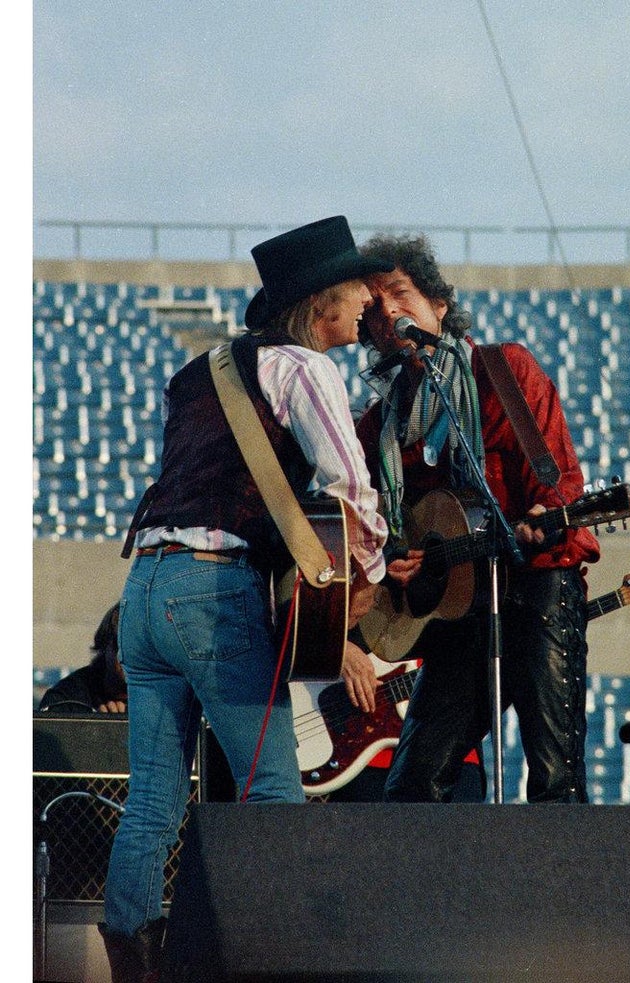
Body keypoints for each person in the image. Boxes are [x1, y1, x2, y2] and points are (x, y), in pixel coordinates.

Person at [99, 216, 391, 983]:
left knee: (154, 805)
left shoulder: (199, 370)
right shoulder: (303, 367)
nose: (369, 299)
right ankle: (278, 961)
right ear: (324, 300)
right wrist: (373, 572)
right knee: (272, 787)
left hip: (144, 588)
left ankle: (131, 961)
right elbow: (350, 489)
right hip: (211, 594)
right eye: (358, 286)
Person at [351, 232, 601, 804]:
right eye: (374, 308)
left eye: (400, 294)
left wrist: (547, 512)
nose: (390, 312)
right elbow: (366, 524)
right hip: (457, 613)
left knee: (554, 780)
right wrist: (393, 561)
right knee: (413, 785)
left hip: (538, 582)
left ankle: (563, 894)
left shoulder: (503, 370)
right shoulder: (378, 426)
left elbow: (558, 476)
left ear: (438, 304)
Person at [38, 602, 126, 713]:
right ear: (105, 645)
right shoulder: (67, 700)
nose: (136, 658)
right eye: (125, 646)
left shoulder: (154, 700)